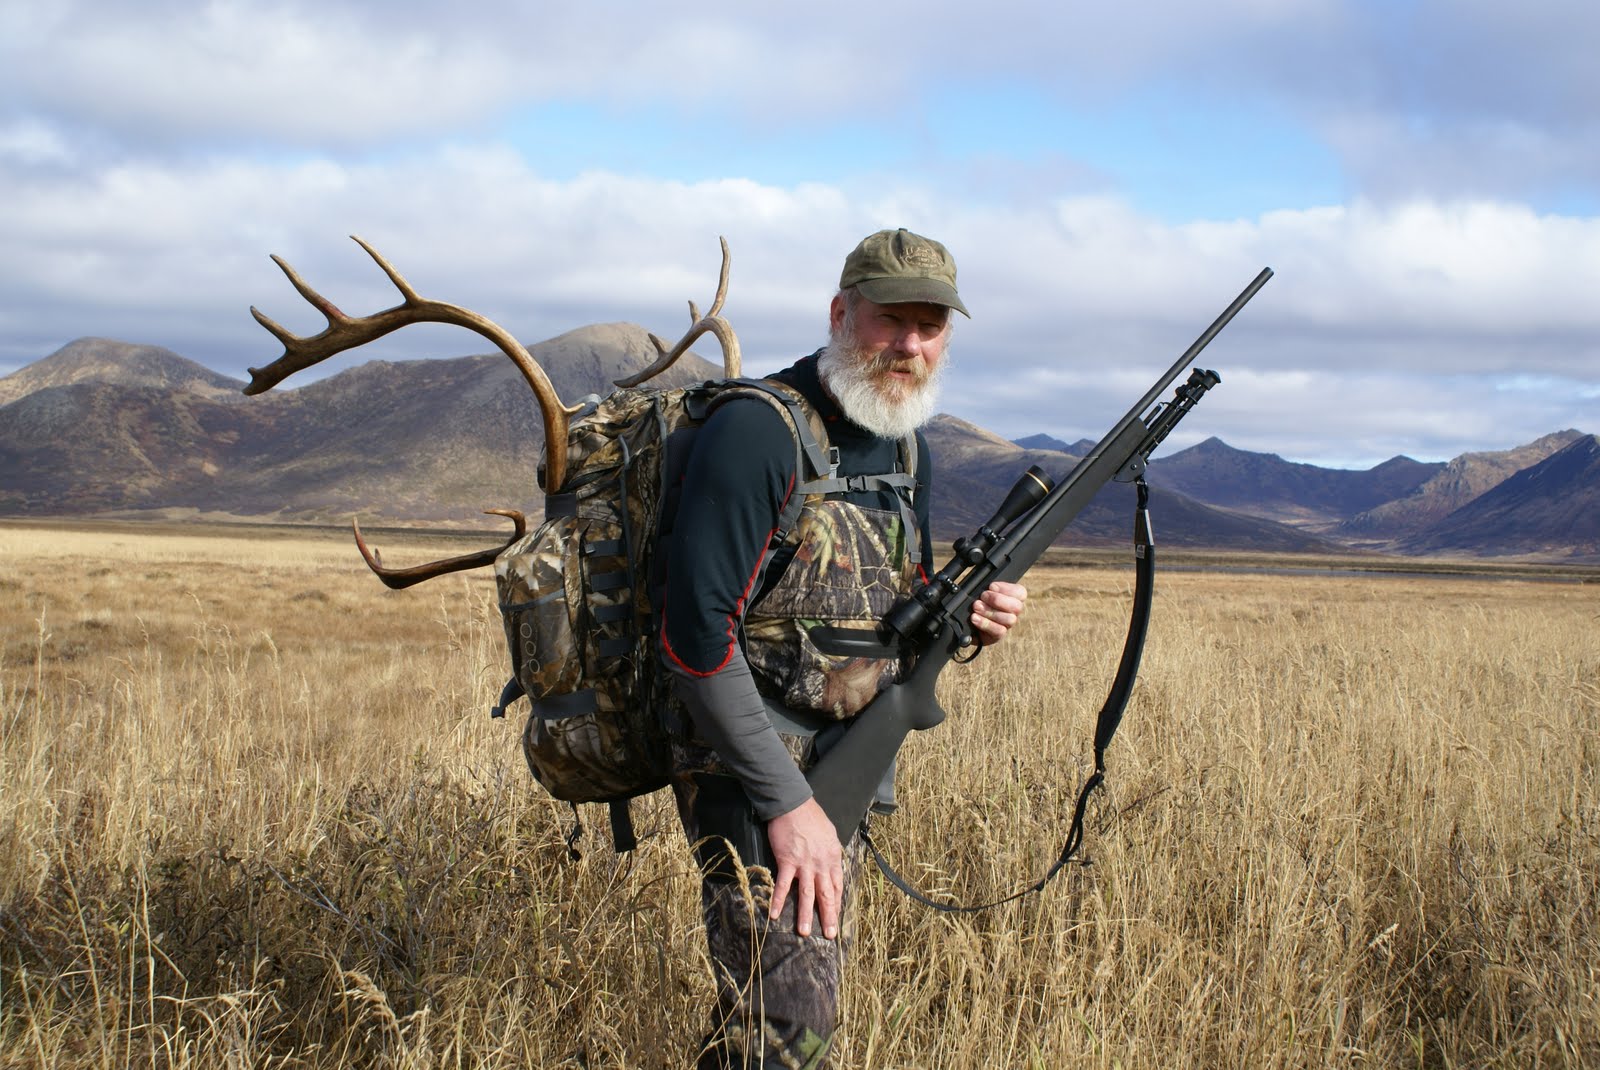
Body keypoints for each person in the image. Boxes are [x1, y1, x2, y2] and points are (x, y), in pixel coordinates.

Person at [659, 228, 1027, 1068]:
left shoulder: (906, 445)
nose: (909, 346)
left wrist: (970, 617)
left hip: (838, 765)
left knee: (771, 1018)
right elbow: (693, 644)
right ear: (840, 313)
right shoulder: (758, 433)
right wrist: (788, 808)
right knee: (795, 1032)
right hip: (750, 773)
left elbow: (898, 600)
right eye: (889, 320)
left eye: (929, 327)